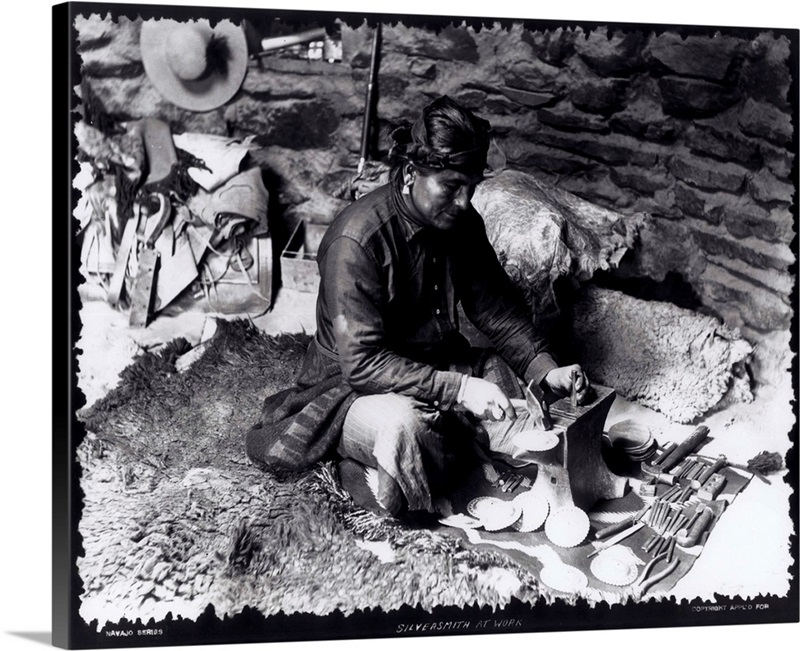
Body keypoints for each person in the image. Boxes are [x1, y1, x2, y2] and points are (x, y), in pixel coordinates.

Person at [246, 96, 590, 517]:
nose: (463, 201)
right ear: (411, 173)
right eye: (451, 187)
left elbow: (497, 312)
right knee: (406, 428)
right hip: (353, 385)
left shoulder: (462, 224)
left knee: (514, 392)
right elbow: (363, 365)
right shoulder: (356, 241)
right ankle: (383, 467)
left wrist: (546, 370)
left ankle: (437, 455)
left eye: (471, 188)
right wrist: (459, 390)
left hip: (435, 363)